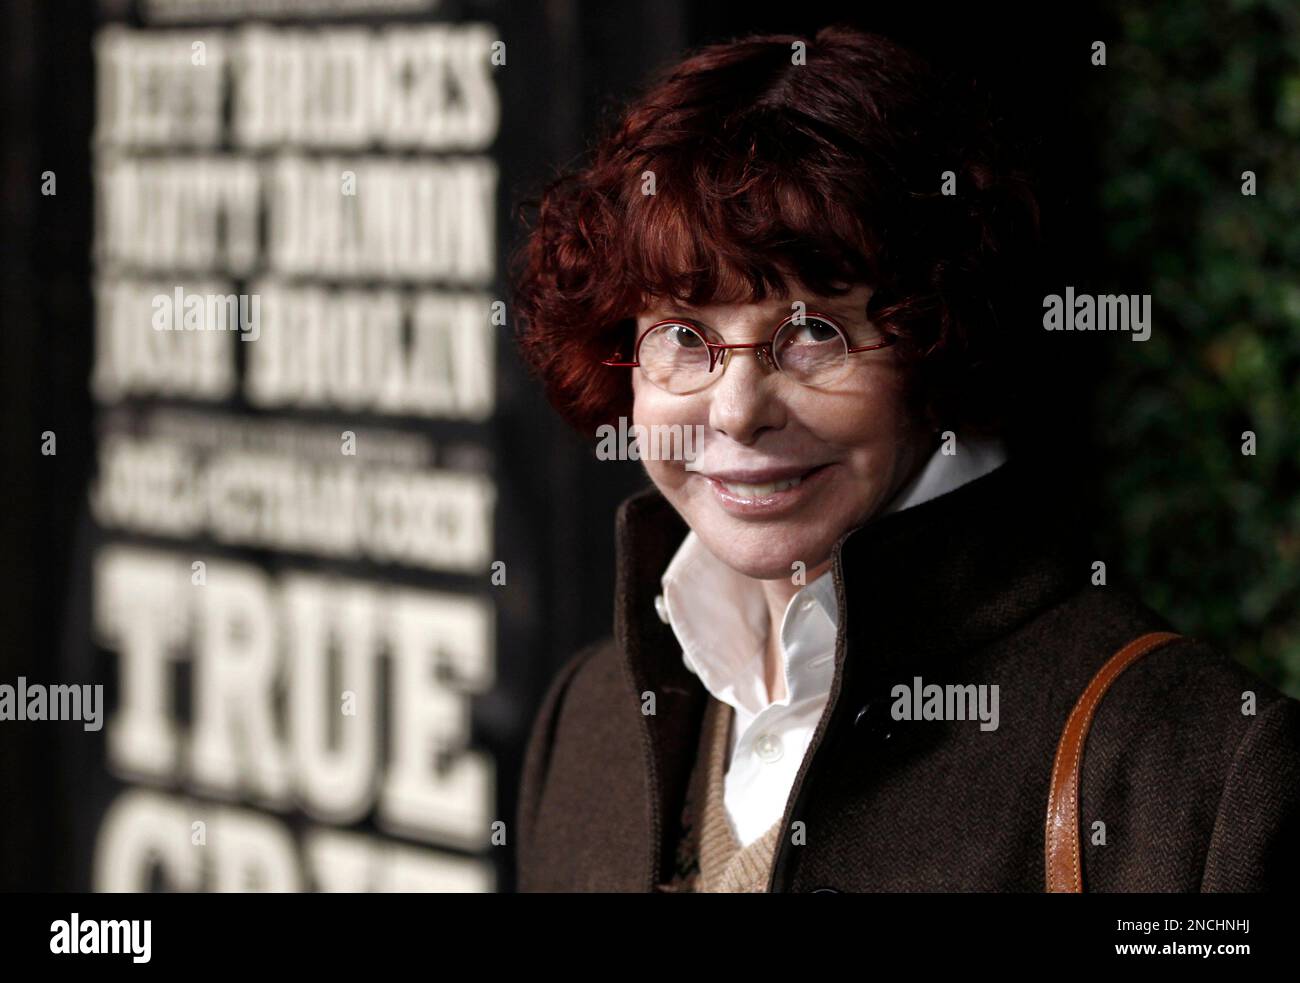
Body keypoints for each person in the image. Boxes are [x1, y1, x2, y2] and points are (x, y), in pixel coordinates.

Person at [508, 25, 1300, 892]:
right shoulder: (587, 720)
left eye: (813, 332)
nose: (735, 411)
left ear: (941, 345)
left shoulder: (1199, 769)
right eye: (683, 335)